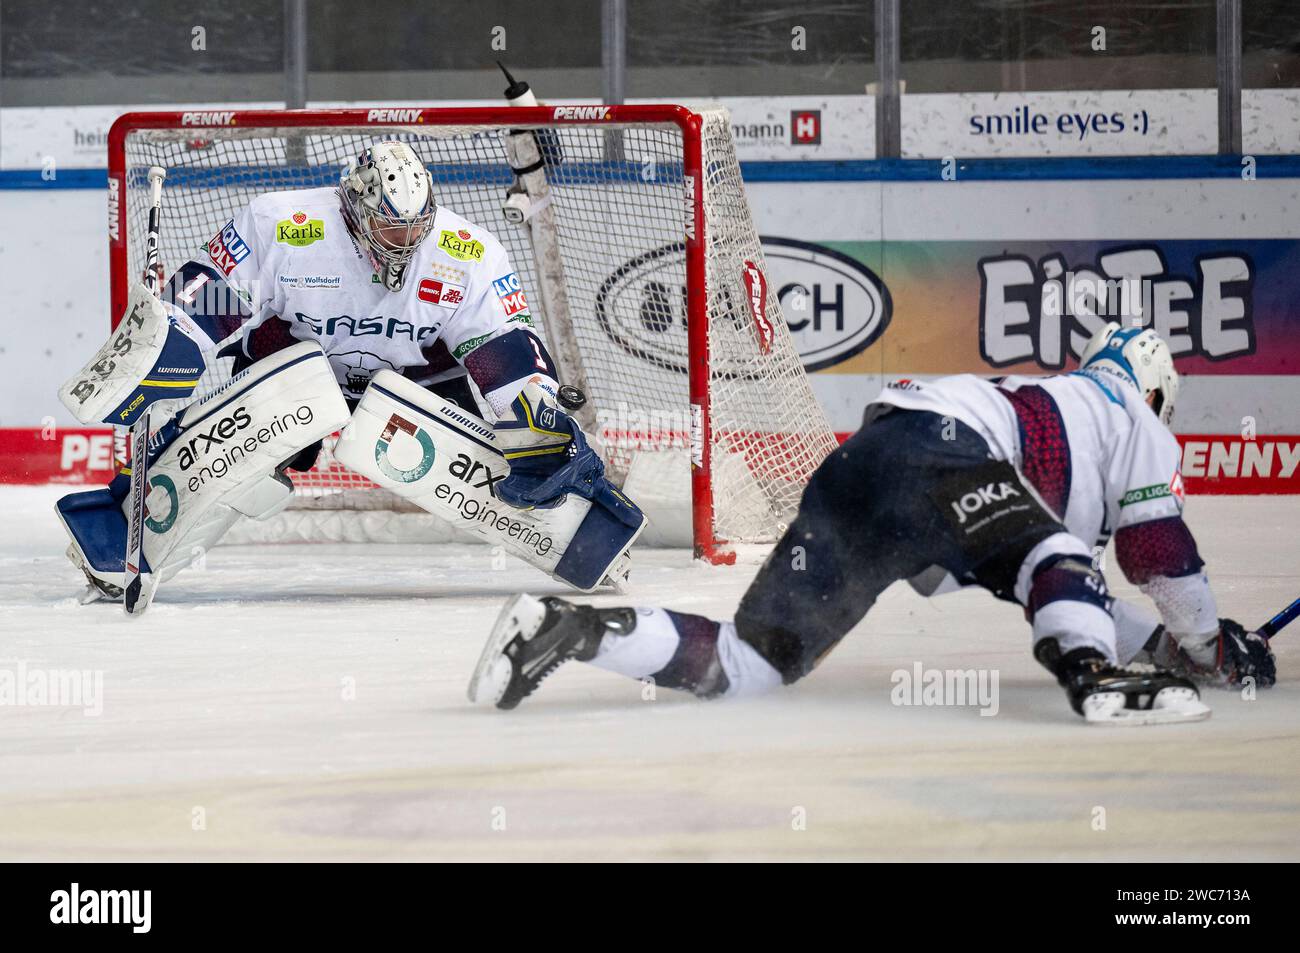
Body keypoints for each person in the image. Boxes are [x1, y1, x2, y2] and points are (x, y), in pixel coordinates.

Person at [469, 323, 1276, 724]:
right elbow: (1157, 554)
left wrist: (1168, 646)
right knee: (1056, 556)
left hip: (865, 467)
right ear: (1154, 390)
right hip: (940, 459)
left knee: (751, 662)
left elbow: (1065, 578)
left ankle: (572, 629)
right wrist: (1207, 644)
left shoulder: (1055, 418)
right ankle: (1095, 683)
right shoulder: (1130, 413)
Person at [56, 141, 634, 601]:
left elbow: (505, 347)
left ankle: (587, 535)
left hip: (413, 382)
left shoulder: (469, 253)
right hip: (295, 372)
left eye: (417, 228)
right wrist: (170, 346)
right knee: (240, 465)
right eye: (391, 229)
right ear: (354, 210)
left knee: (518, 451)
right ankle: (115, 534)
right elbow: (209, 301)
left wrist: (534, 407)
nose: (406, 243)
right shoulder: (283, 224)